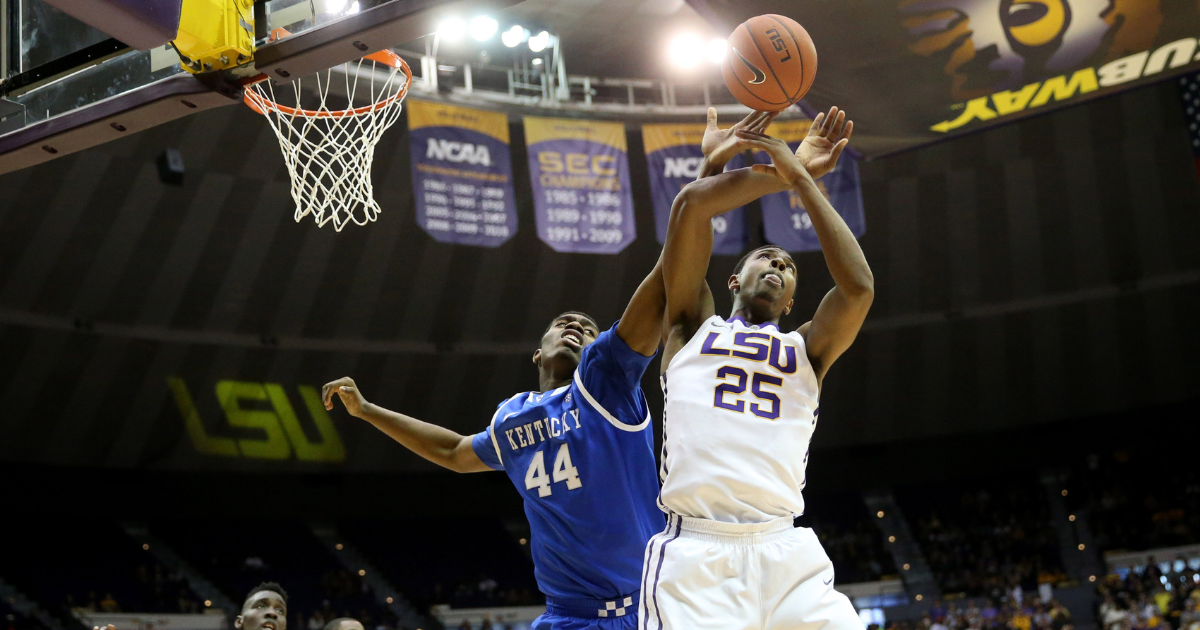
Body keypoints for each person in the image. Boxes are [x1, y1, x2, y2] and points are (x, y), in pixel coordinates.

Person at [322, 108, 797, 630]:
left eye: (588, 327)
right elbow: (453, 451)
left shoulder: (604, 383)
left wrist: (707, 173)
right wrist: (367, 412)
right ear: (537, 352)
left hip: (643, 611)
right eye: (562, 322)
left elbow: (670, 276)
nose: (574, 326)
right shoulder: (512, 419)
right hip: (564, 618)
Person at [642, 106, 872, 630]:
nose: (779, 265)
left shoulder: (808, 349)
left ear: (792, 302)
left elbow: (858, 288)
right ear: (732, 278)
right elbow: (690, 213)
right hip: (697, 552)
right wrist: (760, 171)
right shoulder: (690, 328)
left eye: (789, 266)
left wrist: (798, 180)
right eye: (767, 257)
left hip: (786, 548)